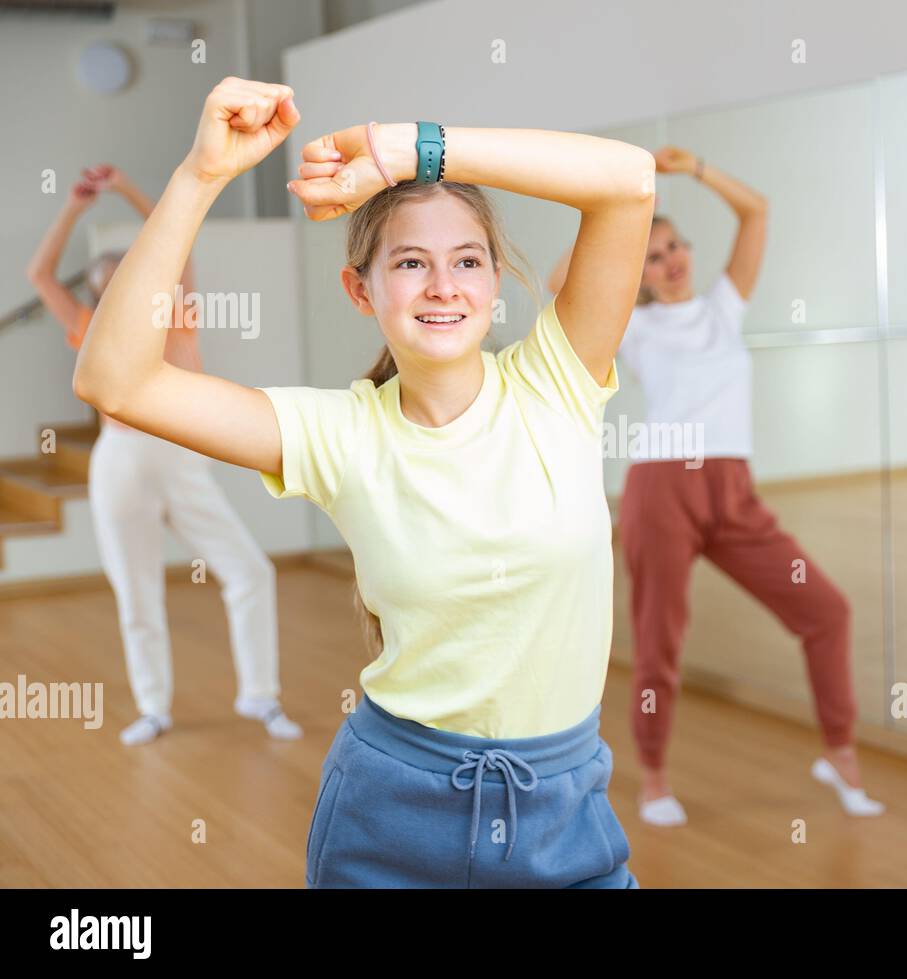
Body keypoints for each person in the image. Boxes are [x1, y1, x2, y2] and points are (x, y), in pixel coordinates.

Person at [74, 77, 654, 887]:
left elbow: (628, 182)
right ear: (362, 290)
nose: (444, 285)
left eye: (467, 261)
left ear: (493, 286)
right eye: (410, 263)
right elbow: (116, 379)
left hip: (566, 816)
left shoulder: (558, 380)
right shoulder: (337, 432)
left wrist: (414, 148)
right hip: (393, 814)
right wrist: (198, 176)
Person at [550, 145, 884, 827]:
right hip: (661, 494)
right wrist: (618, 214)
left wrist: (694, 169)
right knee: (659, 640)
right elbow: (560, 290)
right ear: (637, 270)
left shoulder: (723, 309)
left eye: (675, 246)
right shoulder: (632, 326)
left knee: (827, 610)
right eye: (653, 252)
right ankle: (654, 777)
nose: (670, 259)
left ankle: (840, 753)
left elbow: (757, 210)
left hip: (734, 494)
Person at [26, 163, 298, 746]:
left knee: (250, 571)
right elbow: (40, 273)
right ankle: (153, 708)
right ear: (99, 288)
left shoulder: (176, 310)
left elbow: (170, 229)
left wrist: (123, 185)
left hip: (180, 461)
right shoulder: (88, 327)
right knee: (136, 590)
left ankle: (260, 696)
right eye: (108, 272)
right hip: (120, 464)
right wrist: (75, 204)